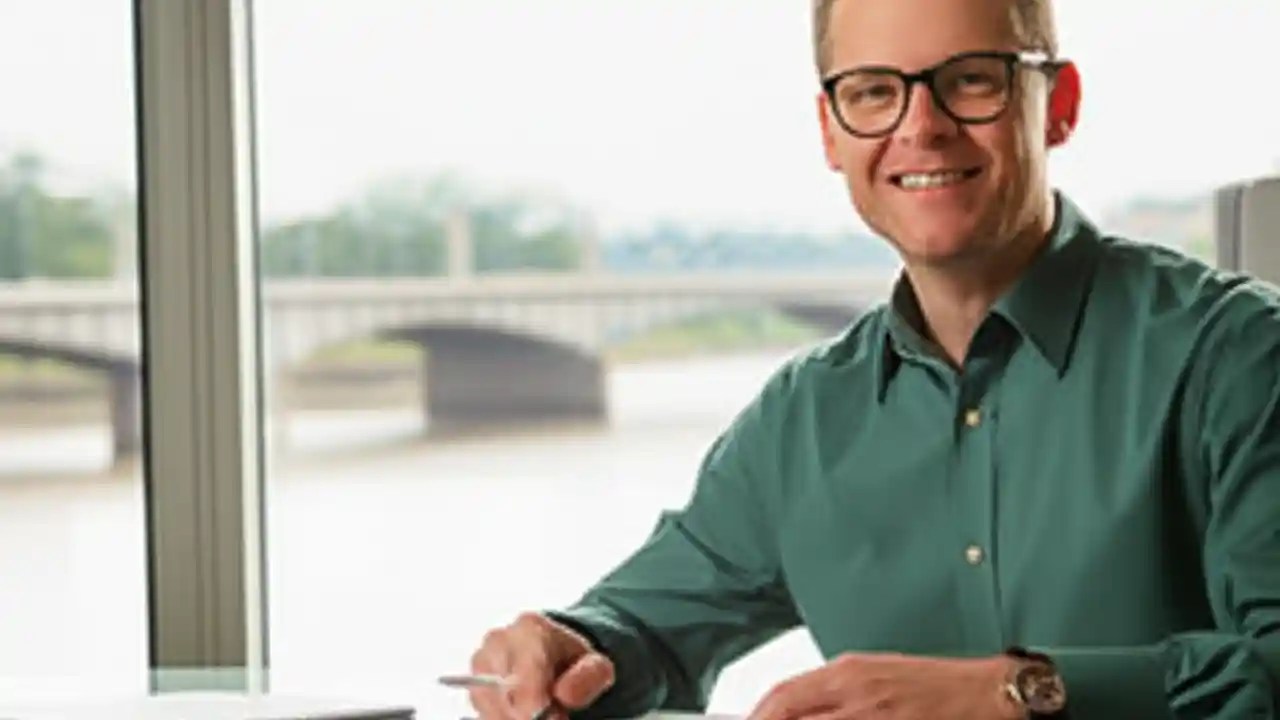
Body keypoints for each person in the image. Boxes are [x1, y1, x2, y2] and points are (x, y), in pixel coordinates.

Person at [463, 0, 1280, 717]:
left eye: (970, 80)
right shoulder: (804, 418)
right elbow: (638, 634)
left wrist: (1017, 694)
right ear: (830, 132)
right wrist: (561, 647)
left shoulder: (1237, 355)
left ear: (1057, 105)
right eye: (873, 92)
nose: (919, 126)